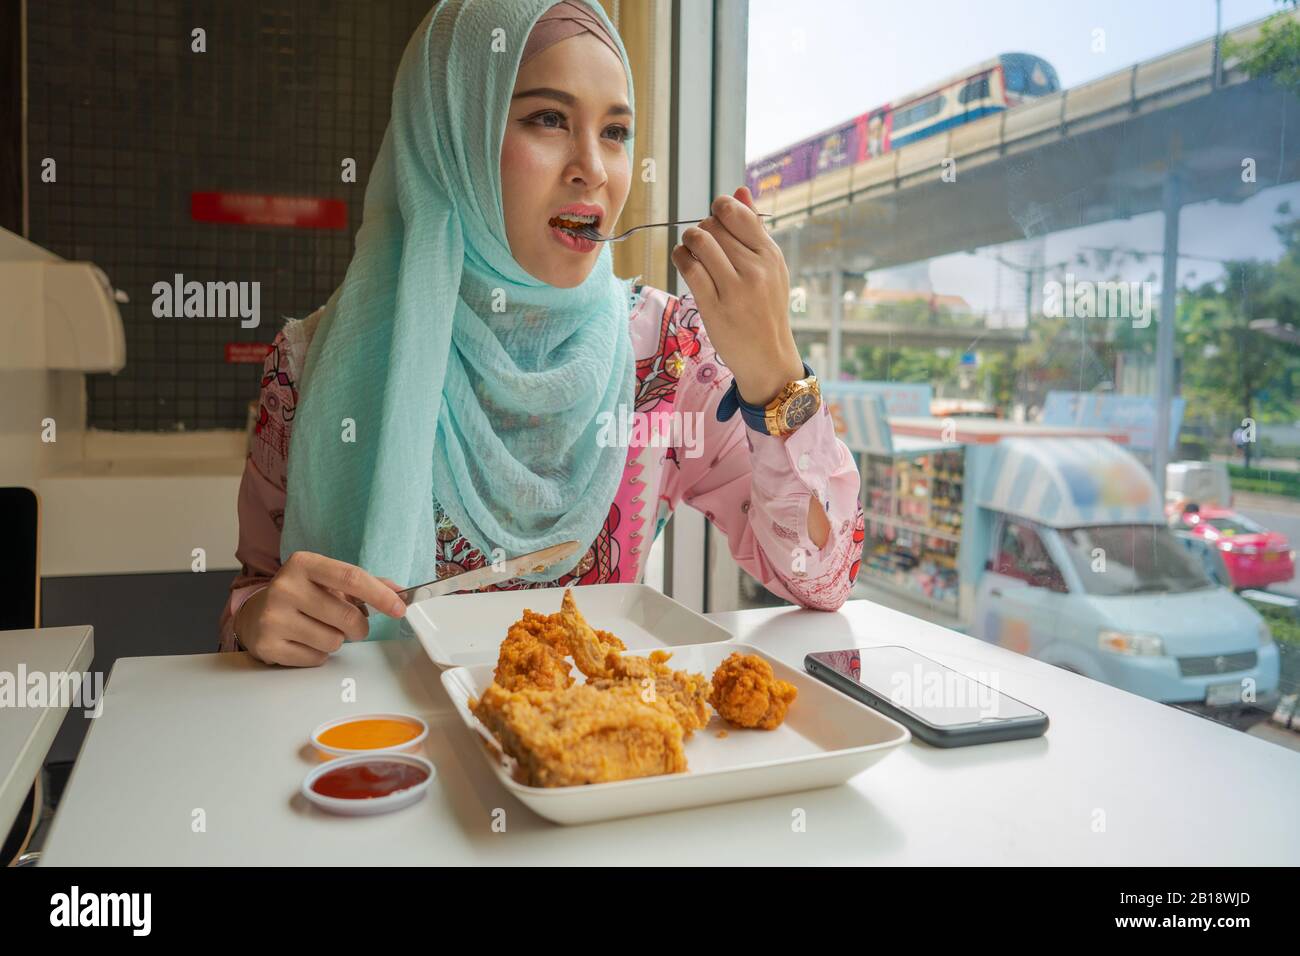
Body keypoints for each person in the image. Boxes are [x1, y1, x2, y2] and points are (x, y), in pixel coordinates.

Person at [218, 0, 866, 666]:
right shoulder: (310, 365)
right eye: (548, 119)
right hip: (386, 758)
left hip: (589, 758)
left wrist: (775, 376)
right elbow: (252, 605)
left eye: (615, 131)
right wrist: (257, 621)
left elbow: (821, 576)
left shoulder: (668, 357)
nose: (594, 168)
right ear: (452, 137)